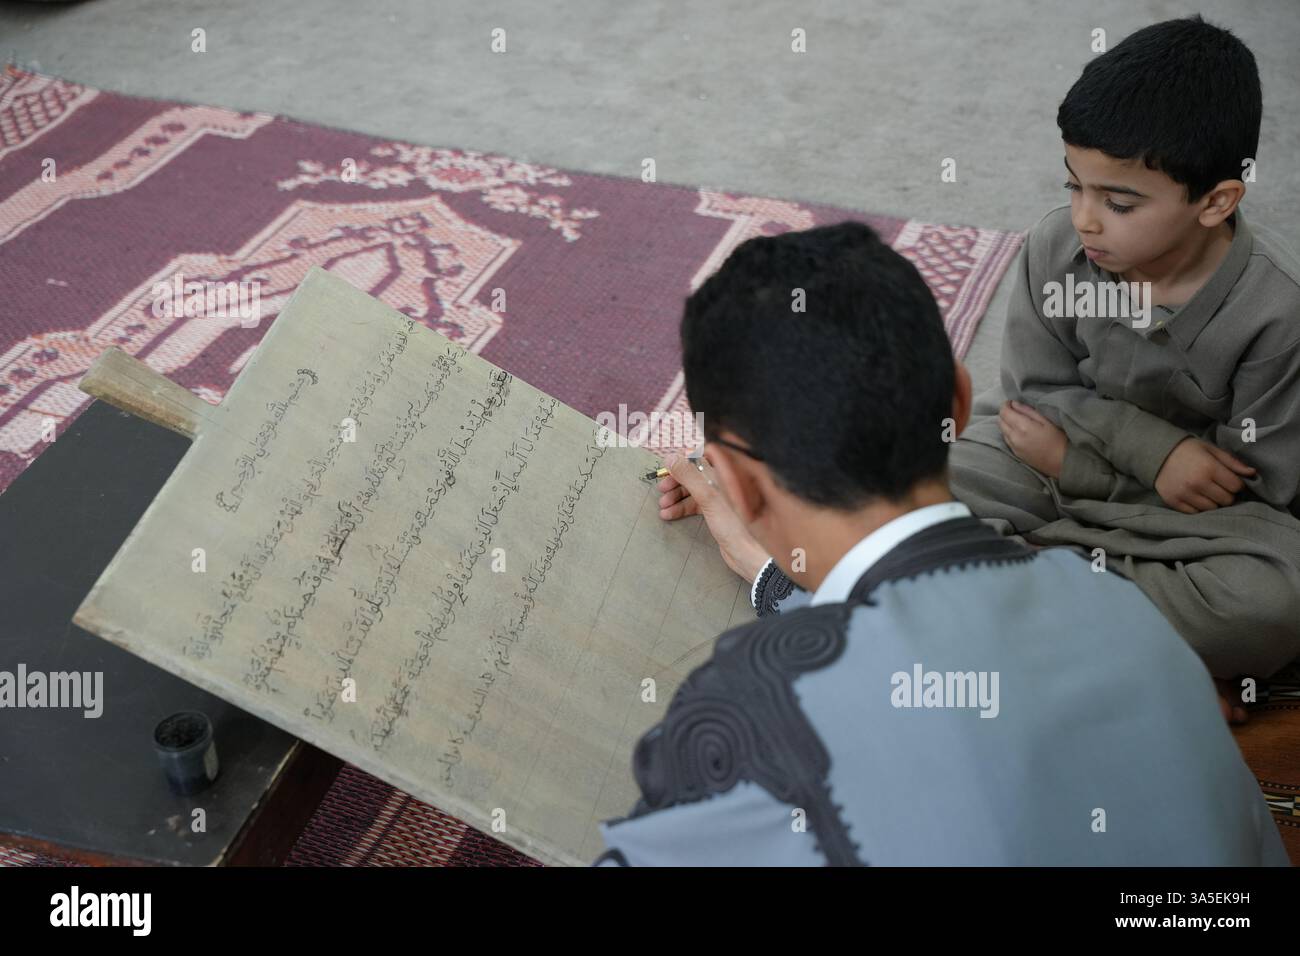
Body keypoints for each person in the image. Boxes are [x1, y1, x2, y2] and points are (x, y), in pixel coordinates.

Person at [593, 220, 1286, 866]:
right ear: (959, 404)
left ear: (737, 487)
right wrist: (776, 576)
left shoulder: (748, 710)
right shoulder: (1124, 610)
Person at [944, 15, 1300, 710]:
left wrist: (1100, 471)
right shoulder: (1056, 246)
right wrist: (1148, 452)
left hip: (1188, 523)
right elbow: (1033, 397)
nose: (1084, 219)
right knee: (901, 485)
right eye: (1074, 185)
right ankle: (1132, 641)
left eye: (1119, 201)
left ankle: (1004, 596)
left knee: (1274, 600)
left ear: (1217, 201)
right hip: (1041, 464)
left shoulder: (1278, 312)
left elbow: (1263, 490)